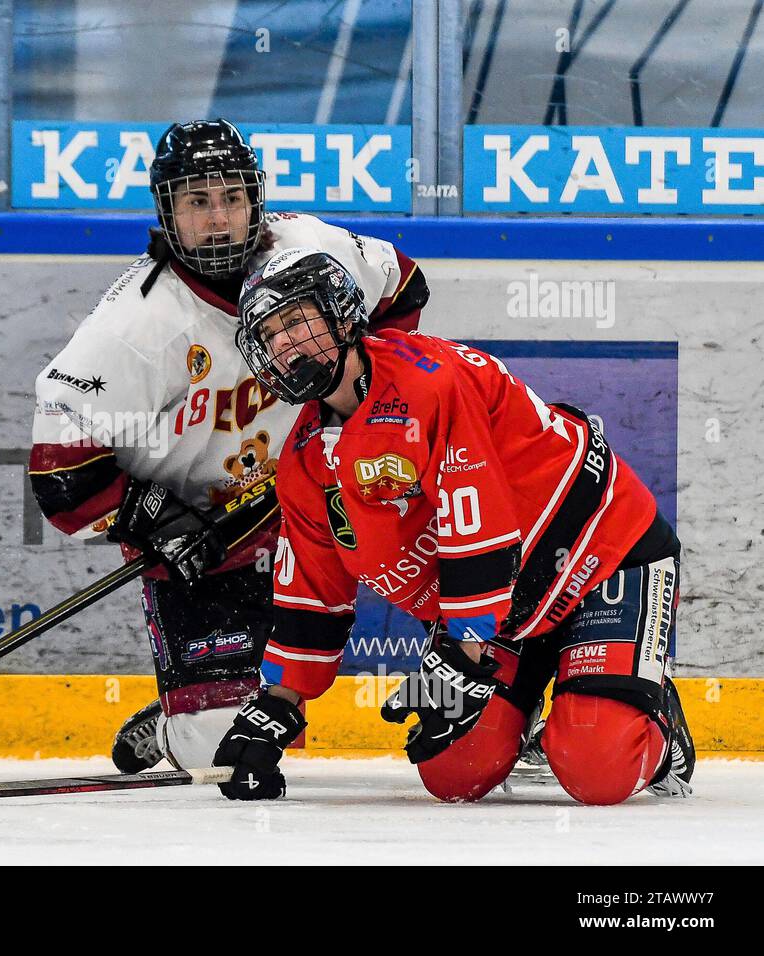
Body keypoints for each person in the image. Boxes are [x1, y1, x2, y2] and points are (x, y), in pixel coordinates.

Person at [213, 248, 694, 804]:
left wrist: (461, 656)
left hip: (604, 554)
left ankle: (656, 723)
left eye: (296, 321)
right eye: (269, 335)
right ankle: (541, 700)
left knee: (598, 767)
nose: (284, 345)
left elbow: (478, 524)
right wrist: (276, 707)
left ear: (342, 314)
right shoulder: (302, 461)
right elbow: (312, 592)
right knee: (454, 775)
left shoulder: (429, 383)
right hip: (506, 609)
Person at [29, 119, 429, 773]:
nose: (218, 219)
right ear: (167, 210)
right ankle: (170, 730)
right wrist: (157, 514)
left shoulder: (308, 246)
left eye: (232, 198)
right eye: (197, 201)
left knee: (474, 560)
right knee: (227, 749)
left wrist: (352, 415)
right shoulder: (135, 324)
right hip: (216, 550)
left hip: (331, 500)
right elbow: (60, 474)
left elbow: (402, 288)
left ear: (256, 199)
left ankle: (511, 704)